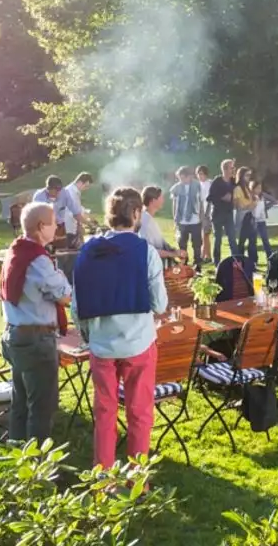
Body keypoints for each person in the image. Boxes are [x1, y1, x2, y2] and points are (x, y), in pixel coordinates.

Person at [72, 187, 168, 469]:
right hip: (138, 341)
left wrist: (88, 335)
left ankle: (101, 480)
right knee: (139, 412)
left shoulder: (88, 251)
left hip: (102, 344)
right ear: (137, 213)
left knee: (105, 412)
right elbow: (160, 303)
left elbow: (77, 304)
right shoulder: (145, 251)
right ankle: (136, 478)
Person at [0, 202, 72, 443]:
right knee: (42, 406)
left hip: (16, 334)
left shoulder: (15, 250)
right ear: (42, 226)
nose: (57, 227)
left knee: (20, 401)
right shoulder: (38, 260)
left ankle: (17, 456)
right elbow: (65, 296)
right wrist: (61, 274)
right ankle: (37, 468)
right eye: (54, 223)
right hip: (35, 339)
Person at [139, 185, 186, 265]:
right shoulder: (145, 221)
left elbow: (161, 242)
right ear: (153, 200)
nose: (163, 200)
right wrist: (173, 254)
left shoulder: (149, 218)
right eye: (161, 198)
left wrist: (175, 251)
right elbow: (148, 250)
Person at [169, 166, 204, 270]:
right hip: (182, 220)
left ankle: (197, 263)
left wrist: (201, 215)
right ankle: (184, 262)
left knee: (197, 243)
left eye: (183, 178)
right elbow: (175, 203)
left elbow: (201, 201)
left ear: (190, 176)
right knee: (182, 242)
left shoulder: (197, 185)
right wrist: (175, 217)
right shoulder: (176, 188)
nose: (182, 180)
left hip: (195, 219)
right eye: (180, 178)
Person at [207, 159, 238, 264]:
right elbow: (210, 197)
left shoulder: (234, 181)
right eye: (231, 167)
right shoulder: (217, 181)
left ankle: (236, 261)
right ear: (225, 169)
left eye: (234, 167)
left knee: (232, 238)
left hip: (229, 213)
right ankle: (217, 262)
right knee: (218, 239)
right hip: (217, 214)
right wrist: (222, 197)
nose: (233, 170)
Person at [33, 176, 73, 248]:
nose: (58, 192)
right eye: (56, 190)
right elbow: (39, 217)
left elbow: (73, 208)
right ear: (48, 189)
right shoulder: (39, 197)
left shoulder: (65, 193)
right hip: (45, 225)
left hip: (61, 225)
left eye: (60, 189)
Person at [232, 166, 257, 267]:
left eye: (250, 175)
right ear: (241, 176)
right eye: (247, 175)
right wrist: (250, 205)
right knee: (243, 240)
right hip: (243, 216)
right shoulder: (238, 188)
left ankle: (252, 260)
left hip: (250, 215)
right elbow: (238, 205)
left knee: (252, 239)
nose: (249, 177)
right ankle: (240, 259)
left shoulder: (247, 188)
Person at [64, 172, 93, 247]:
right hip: (68, 228)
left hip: (72, 227)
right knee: (72, 252)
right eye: (86, 186)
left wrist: (90, 217)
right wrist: (89, 224)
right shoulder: (71, 192)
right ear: (80, 182)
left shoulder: (75, 191)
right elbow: (76, 214)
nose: (86, 189)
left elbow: (79, 208)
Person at [249, 179, 275, 263]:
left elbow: (273, 200)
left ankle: (270, 258)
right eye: (257, 188)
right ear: (252, 188)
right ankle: (254, 260)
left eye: (260, 188)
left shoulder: (262, 196)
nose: (259, 190)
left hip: (261, 220)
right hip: (254, 221)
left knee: (265, 240)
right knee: (253, 241)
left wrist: (266, 207)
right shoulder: (250, 196)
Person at [196, 165, 213, 264]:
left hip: (208, 210)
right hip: (199, 210)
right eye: (199, 174)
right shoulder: (197, 185)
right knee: (202, 234)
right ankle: (206, 255)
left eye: (202, 174)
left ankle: (205, 255)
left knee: (205, 234)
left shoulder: (210, 183)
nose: (200, 176)